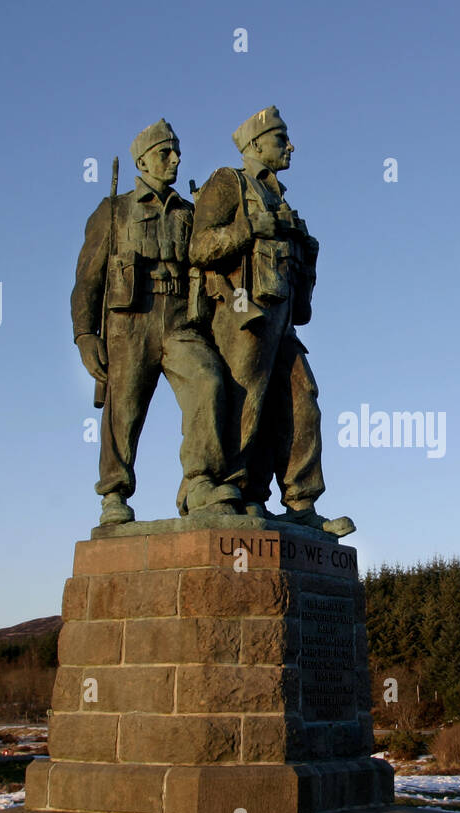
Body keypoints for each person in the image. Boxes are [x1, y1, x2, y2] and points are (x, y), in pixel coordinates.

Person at [190, 106, 353, 536]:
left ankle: (301, 501)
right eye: (282, 139)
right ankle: (232, 490)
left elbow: (301, 296)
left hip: (281, 318)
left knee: (303, 395)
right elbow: (200, 246)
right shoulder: (229, 182)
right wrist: (250, 228)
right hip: (241, 309)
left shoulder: (282, 199)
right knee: (247, 398)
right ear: (256, 144)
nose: (290, 146)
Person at [71, 119, 241, 525]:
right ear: (143, 160)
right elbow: (87, 279)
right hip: (129, 322)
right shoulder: (114, 211)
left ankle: (200, 482)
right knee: (123, 411)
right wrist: (84, 335)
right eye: (166, 152)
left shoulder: (189, 211)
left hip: (181, 319)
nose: (175, 159)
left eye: (176, 151)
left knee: (209, 381)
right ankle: (114, 493)